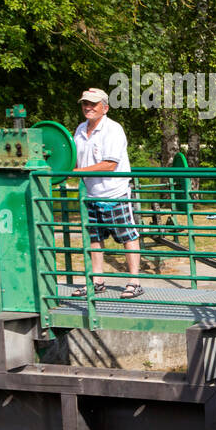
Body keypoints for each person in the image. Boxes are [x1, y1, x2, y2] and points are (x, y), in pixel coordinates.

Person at [72, 87, 143, 299]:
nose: (88, 107)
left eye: (93, 104)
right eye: (85, 103)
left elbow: (110, 164)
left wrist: (76, 172)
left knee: (128, 235)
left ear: (105, 108)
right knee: (94, 238)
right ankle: (97, 281)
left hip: (115, 192)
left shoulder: (113, 129)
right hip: (92, 194)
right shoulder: (80, 130)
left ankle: (134, 282)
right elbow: (73, 158)